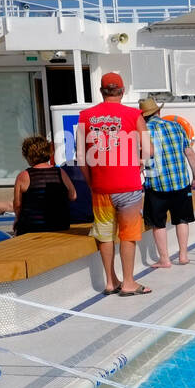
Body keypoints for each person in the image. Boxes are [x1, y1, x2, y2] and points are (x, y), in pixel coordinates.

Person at [78, 72, 149, 296]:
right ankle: (128, 282)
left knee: (105, 234)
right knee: (128, 235)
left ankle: (110, 281)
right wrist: (140, 160)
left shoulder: (85, 116)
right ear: (122, 91)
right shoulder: (134, 114)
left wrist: (91, 182)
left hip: (101, 187)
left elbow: (81, 157)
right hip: (128, 186)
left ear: (101, 91)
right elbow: (148, 150)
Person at [139, 97, 195, 267]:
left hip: (156, 185)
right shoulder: (176, 126)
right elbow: (190, 153)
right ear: (158, 111)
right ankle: (183, 256)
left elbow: (141, 160)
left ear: (142, 116)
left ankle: (165, 259)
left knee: (158, 223)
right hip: (180, 183)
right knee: (182, 220)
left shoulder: (142, 133)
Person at [12, 134, 76, 235]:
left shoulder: (23, 176)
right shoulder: (60, 172)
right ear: (48, 152)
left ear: (28, 155)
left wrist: (18, 221)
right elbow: (73, 196)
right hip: (60, 226)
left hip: (32, 229)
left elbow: (17, 205)